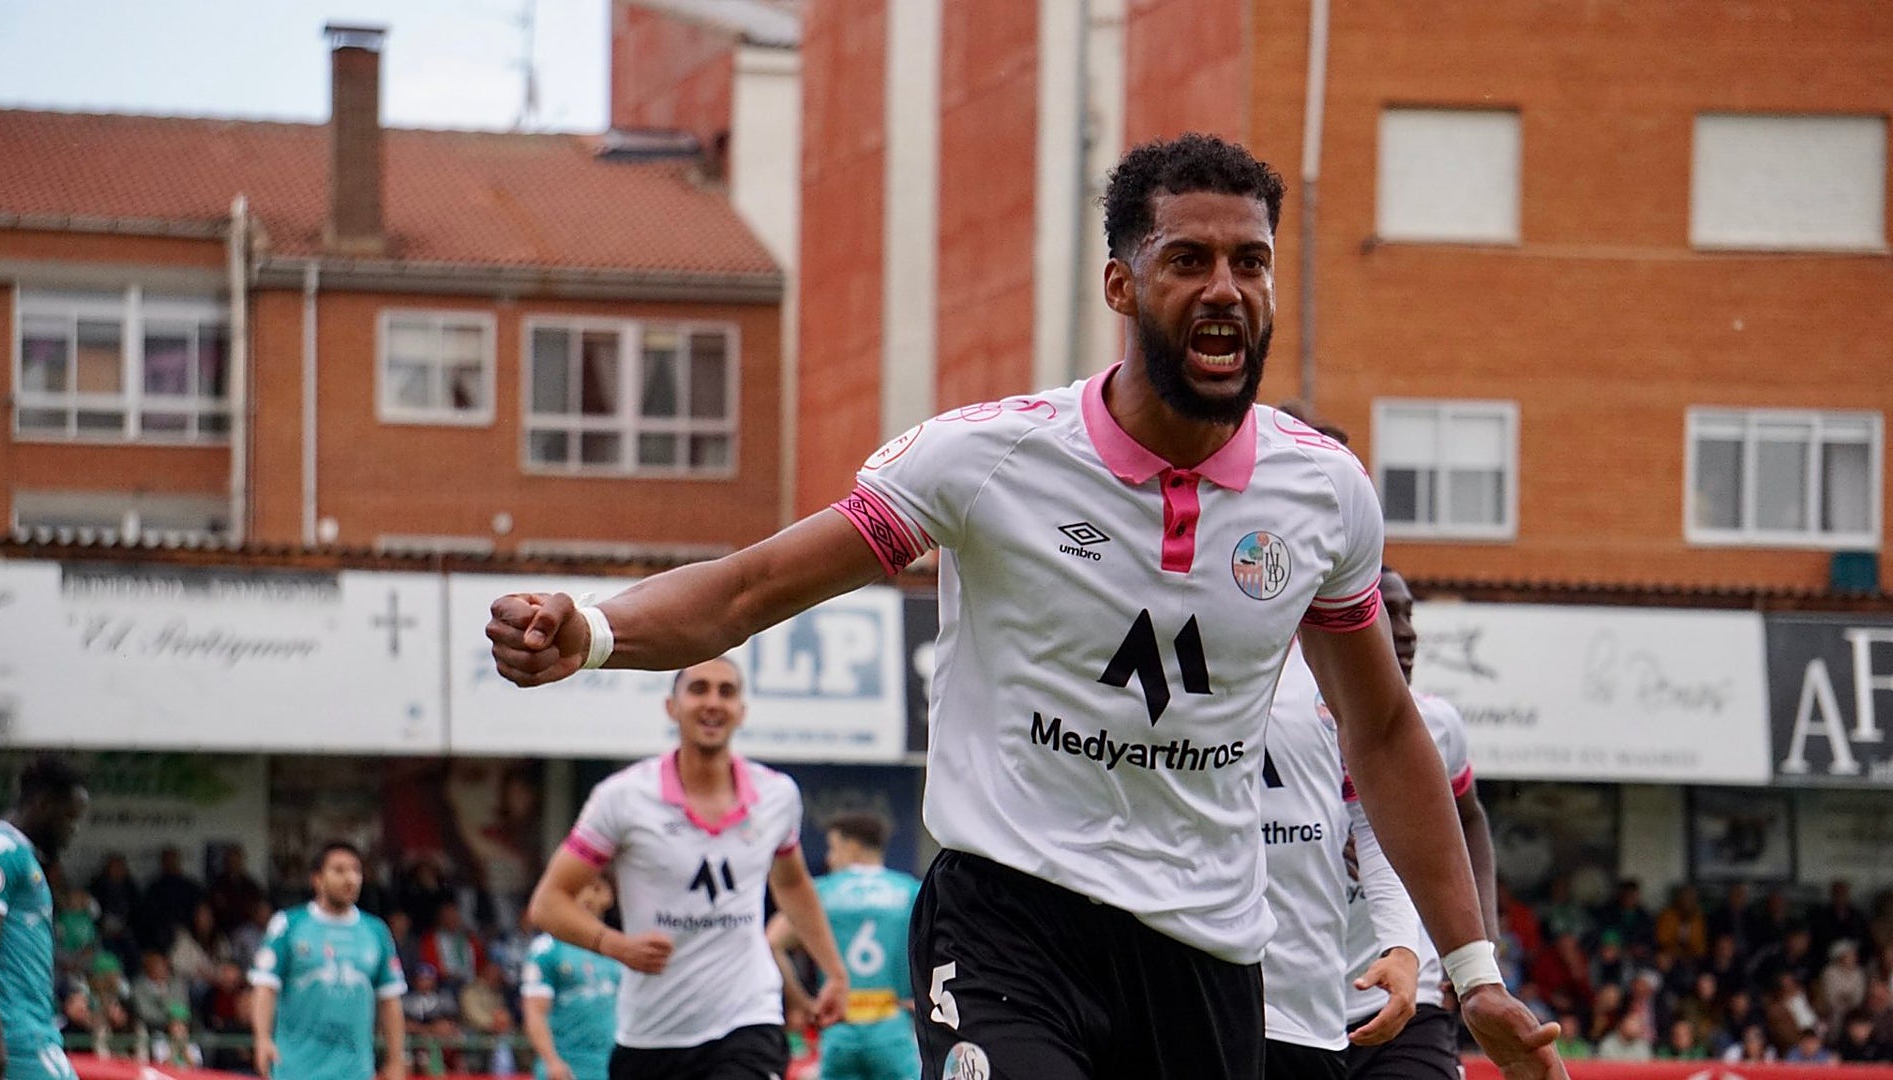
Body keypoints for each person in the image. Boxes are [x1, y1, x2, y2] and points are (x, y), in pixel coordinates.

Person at [488, 133, 1562, 1080]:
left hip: (1206, 951)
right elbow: (753, 587)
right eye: (1188, 260)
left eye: (1252, 261)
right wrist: (590, 632)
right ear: (1121, 285)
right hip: (1010, 920)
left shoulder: (1323, 491)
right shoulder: (987, 458)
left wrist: (1471, 974)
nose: (1226, 287)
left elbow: (1380, 731)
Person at [525, 657, 850, 1080]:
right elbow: (547, 904)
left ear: (742, 712)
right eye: (698, 690)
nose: (713, 702)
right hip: (651, 1034)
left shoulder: (777, 795)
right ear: (671, 707)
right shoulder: (622, 798)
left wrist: (836, 973)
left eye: (726, 692)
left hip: (748, 1018)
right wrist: (616, 945)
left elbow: (792, 883)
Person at [1345, 569, 1502, 1080]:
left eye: (1409, 613)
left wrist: (1480, 940)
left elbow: (1471, 820)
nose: (1407, 630)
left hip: (1416, 999)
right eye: (1388, 613)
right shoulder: (1286, 721)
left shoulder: (1438, 725)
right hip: (1297, 1005)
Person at [1260, 641, 1421, 1080]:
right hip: (1197, 988)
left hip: (1308, 1011)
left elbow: (1374, 822)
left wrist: (1401, 945)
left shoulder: (1334, 666)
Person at [768, 812, 923, 1080]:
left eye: (833, 848)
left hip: (840, 1026)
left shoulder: (822, 891)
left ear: (851, 848)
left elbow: (772, 943)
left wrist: (801, 1002)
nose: (829, 858)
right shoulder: (911, 891)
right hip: (893, 1027)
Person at [248, 841, 406, 1080]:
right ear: (317, 879)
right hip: (296, 1069)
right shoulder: (289, 924)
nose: (350, 878)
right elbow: (264, 987)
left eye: (356, 870)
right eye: (339, 870)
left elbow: (390, 1000)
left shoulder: (376, 931)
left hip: (355, 1071)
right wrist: (262, 1039)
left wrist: (395, 1059)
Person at [0, 755, 88, 1080]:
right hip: (16, 1037)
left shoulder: (22, 857)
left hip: (27, 1031)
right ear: (42, 805)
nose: (73, 829)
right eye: (69, 817)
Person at [522, 875, 624, 1080]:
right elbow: (534, 1011)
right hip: (567, 1067)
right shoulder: (546, 950)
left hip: (610, 1065)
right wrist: (552, 1061)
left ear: (609, 896)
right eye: (579, 887)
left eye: (595, 888)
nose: (587, 896)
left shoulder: (619, 949)